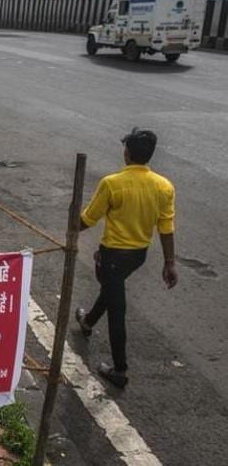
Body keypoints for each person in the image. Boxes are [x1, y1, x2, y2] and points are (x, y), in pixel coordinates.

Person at [75, 128, 178, 388]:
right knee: (113, 290)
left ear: (127, 153)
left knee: (117, 309)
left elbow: (88, 219)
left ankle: (119, 369)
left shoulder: (113, 183)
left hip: (111, 256)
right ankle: (86, 321)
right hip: (137, 256)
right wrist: (169, 263)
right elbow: (166, 228)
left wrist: (70, 227)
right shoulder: (164, 186)